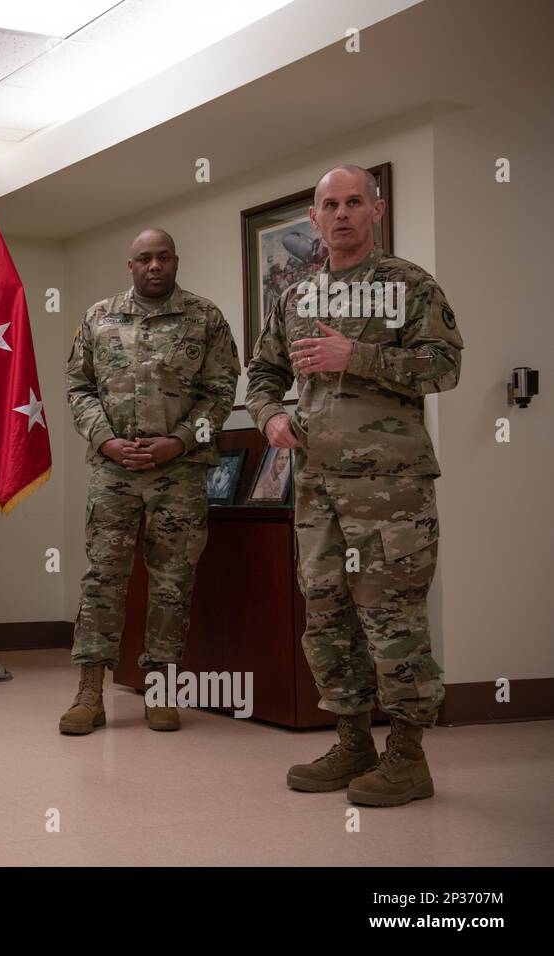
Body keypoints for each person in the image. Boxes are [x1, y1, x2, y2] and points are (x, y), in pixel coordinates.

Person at [246, 164, 464, 806]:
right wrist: (271, 416)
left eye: (353, 202)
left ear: (376, 210)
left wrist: (358, 356)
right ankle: (352, 741)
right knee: (328, 618)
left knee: (392, 620)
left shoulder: (408, 286)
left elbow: (446, 366)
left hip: (391, 492)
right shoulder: (294, 297)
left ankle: (408, 758)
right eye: (328, 204)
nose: (340, 213)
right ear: (313, 218)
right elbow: (262, 371)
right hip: (317, 489)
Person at [62, 228, 240, 734]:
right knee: (102, 581)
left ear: (176, 261)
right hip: (113, 470)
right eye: (145, 259)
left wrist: (180, 441)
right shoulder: (99, 317)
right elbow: (78, 388)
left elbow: (221, 393)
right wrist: (105, 440)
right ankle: (89, 693)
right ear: (131, 265)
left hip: (179, 473)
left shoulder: (205, 318)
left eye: (163, 257)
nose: (154, 266)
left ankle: (161, 690)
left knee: (171, 583)